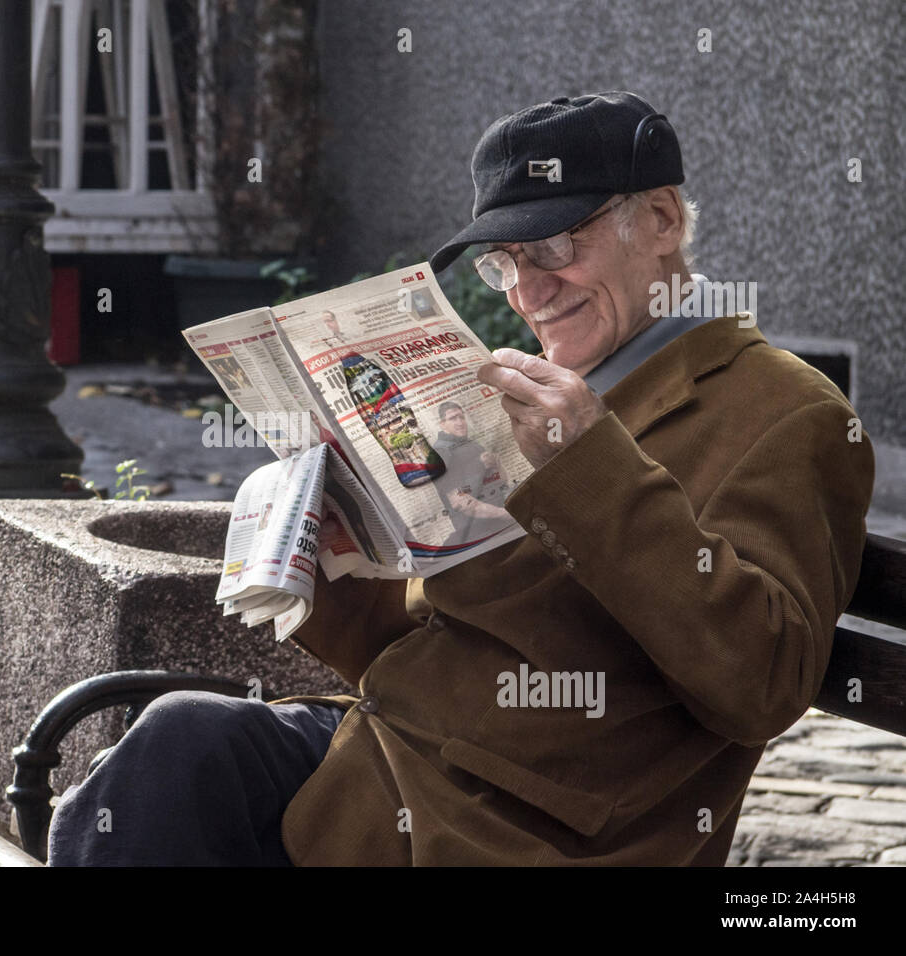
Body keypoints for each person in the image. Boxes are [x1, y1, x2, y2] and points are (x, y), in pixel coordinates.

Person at [46, 91, 874, 866]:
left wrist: (591, 466)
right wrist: (329, 545)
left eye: (553, 247)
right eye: (504, 264)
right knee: (176, 748)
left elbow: (762, 684)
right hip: (389, 770)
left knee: (167, 775)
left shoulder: (785, 412)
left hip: (524, 832)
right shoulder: (521, 395)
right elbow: (416, 646)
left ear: (660, 219)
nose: (529, 290)